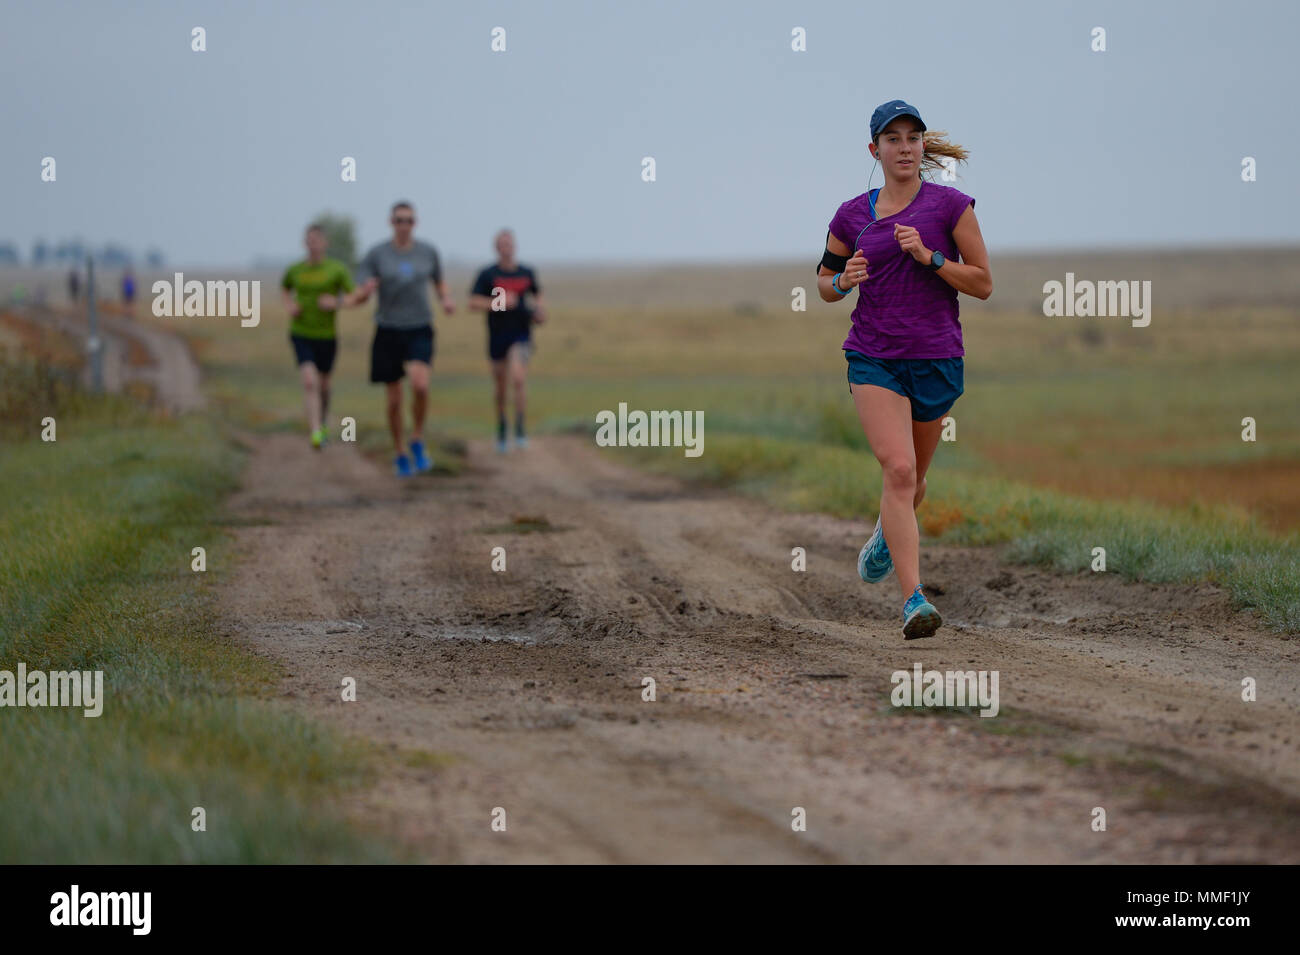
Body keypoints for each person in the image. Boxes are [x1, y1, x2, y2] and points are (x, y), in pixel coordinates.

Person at [817, 100, 992, 640]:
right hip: (873, 357)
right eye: (892, 139)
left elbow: (983, 283)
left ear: (923, 148)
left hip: (937, 357)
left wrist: (932, 260)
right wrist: (845, 279)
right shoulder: (852, 215)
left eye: (913, 138)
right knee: (897, 471)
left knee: (913, 484)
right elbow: (822, 285)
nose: (905, 148)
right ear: (875, 150)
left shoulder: (950, 207)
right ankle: (914, 600)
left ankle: (881, 540)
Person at [352, 201, 455, 477]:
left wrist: (445, 299)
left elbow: (439, 280)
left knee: (420, 385)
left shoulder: (428, 251)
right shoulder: (377, 254)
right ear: (391, 223)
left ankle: (417, 438)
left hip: (419, 326)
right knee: (395, 398)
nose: (404, 225)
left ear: (415, 223)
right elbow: (360, 290)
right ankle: (399, 451)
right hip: (388, 329)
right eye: (399, 220)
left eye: (408, 220)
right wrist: (366, 291)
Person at [467, 229, 545, 452]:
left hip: (521, 334)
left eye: (509, 244)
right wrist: (498, 303)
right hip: (497, 334)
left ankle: (520, 425)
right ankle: (502, 425)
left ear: (515, 246)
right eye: (502, 244)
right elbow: (473, 302)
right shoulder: (488, 274)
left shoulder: (526, 272)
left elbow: (538, 295)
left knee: (519, 378)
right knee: (500, 385)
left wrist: (539, 311)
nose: (506, 248)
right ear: (496, 248)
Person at [280, 223, 356, 449]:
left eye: (317, 240)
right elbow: (285, 289)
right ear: (305, 243)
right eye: (309, 240)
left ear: (325, 243)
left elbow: (354, 296)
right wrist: (290, 305)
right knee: (309, 381)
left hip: (327, 335)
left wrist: (336, 302)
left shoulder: (336, 269)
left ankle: (322, 422)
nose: (313, 244)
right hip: (301, 332)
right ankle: (315, 431)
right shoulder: (295, 270)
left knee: (324, 385)